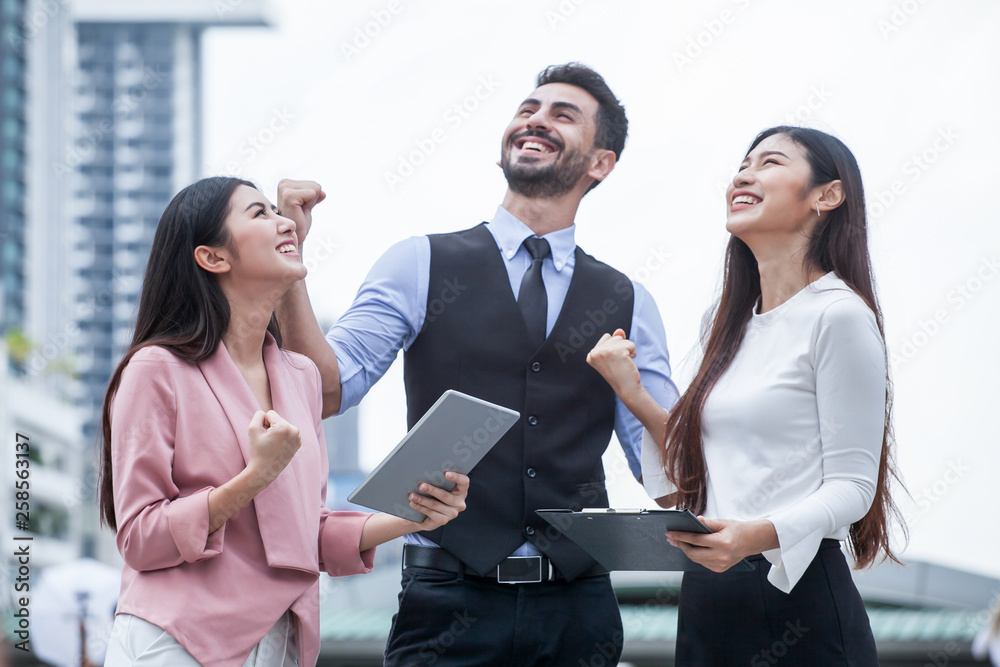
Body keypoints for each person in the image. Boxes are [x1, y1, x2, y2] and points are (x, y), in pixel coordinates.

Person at [275, 63, 678, 665]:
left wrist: (637, 396)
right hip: (446, 600)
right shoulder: (419, 264)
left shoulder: (628, 301)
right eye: (527, 110)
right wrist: (291, 265)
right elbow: (328, 389)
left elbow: (667, 477)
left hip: (577, 610)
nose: (536, 119)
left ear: (601, 163)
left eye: (562, 115)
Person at [96, 177, 469, 667]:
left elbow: (304, 534)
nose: (284, 222)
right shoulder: (156, 370)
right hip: (178, 640)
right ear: (212, 257)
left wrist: (409, 517)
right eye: (259, 213)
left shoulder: (300, 377)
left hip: (282, 643)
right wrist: (253, 478)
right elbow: (141, 538)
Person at [587, 126, 904, 665]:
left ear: (827, 196)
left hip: (797, 597)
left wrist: (753, 536)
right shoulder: (726, 321)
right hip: (709, 596)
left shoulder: (840, 316)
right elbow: (696, 477)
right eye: (742, 164)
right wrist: (633, 394)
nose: (743, 174)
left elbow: (852, 487)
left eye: (770, 163)